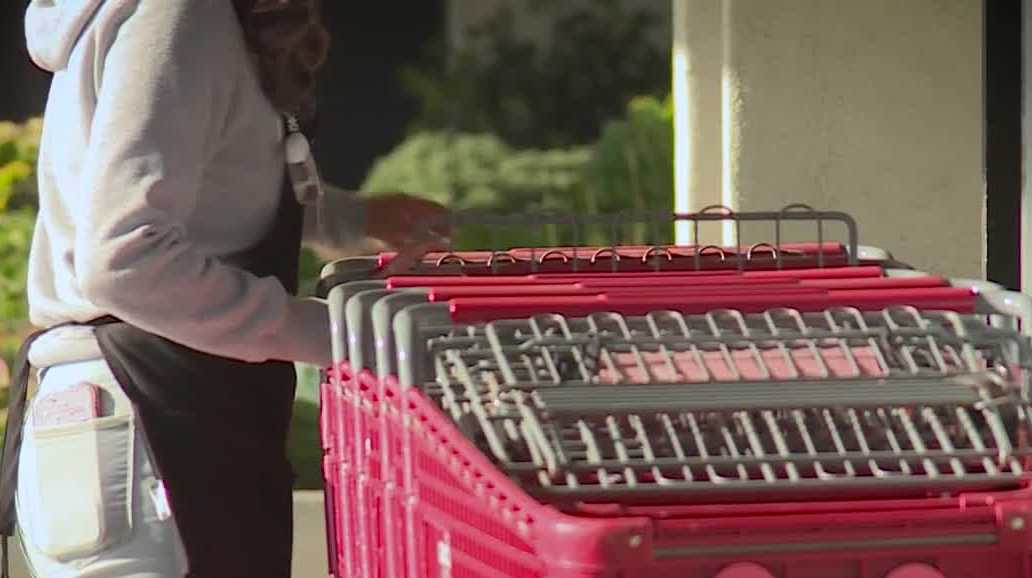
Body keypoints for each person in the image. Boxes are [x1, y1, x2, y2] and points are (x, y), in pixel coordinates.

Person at [0, 0, 447, 576]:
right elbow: (125, 259)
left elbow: (211, 187)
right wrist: (333, 333)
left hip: (150, 435)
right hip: (147, 438)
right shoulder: (181, 17)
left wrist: (355, 219)